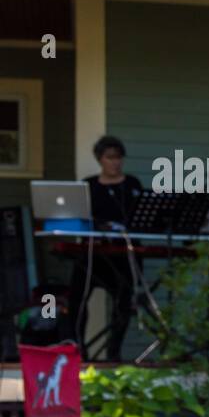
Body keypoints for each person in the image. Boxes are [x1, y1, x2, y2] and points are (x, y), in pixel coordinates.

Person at [70, 135, 145, 360]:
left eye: (119, 157)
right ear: (100, 159)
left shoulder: (131, 184)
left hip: (123, 255)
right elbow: (80, 216)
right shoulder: (89, 184)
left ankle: (114, 352)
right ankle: (78, 349)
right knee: (77, 298)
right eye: (110, 157)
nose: (115, 162)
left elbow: (139, 215)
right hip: (94, 253)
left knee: (123, 301)